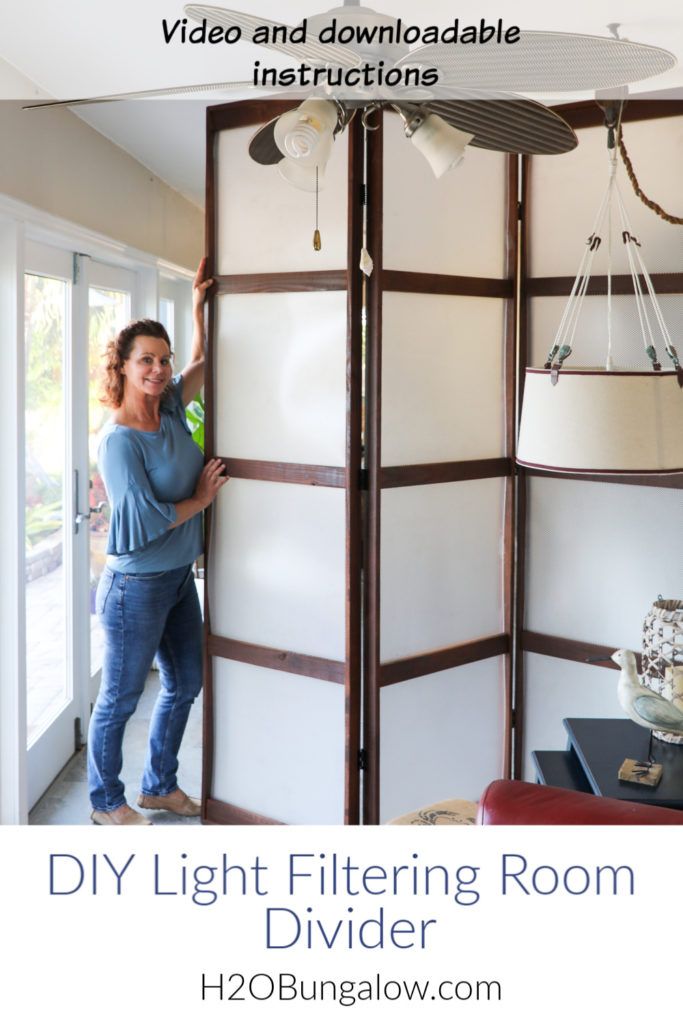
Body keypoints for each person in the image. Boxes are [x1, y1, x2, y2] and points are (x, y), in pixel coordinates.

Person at [88, 259, 227, 825]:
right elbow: (144, 518)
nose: (159, 369)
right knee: (120, 700)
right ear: (122, 366)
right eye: (146, 360)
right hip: (134, 587)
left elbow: (203, 362)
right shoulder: (118, 441)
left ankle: (159, 786)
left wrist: (197, 308)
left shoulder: (168, 408)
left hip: (174, 579)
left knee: (186, 681)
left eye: (163, 360)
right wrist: (200, 499)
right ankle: (105, 801)